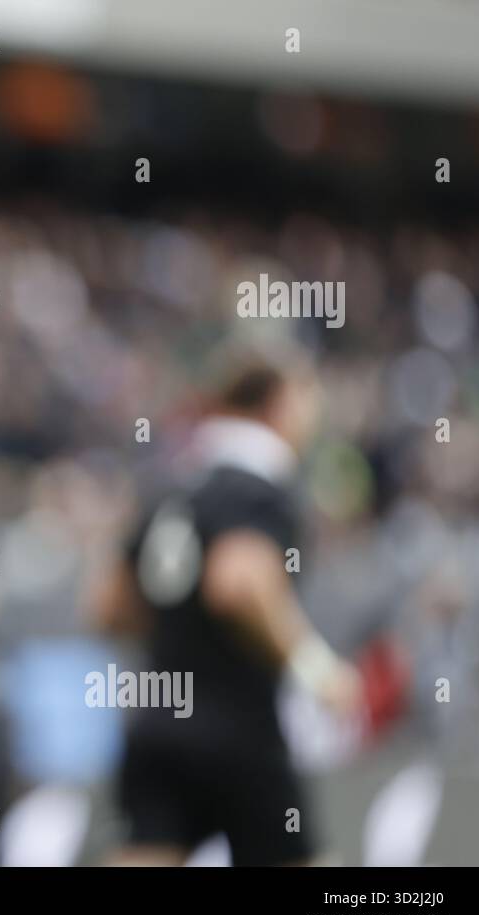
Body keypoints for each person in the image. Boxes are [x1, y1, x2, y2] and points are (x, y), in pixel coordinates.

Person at [88, 340, 362, 866]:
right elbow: (237, 582)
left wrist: (181, 635)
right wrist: (318, 669)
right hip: (239, 727)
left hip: (155, 724)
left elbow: (109, 606)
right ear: (278, 402)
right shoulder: (259, 483)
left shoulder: (170, 483)